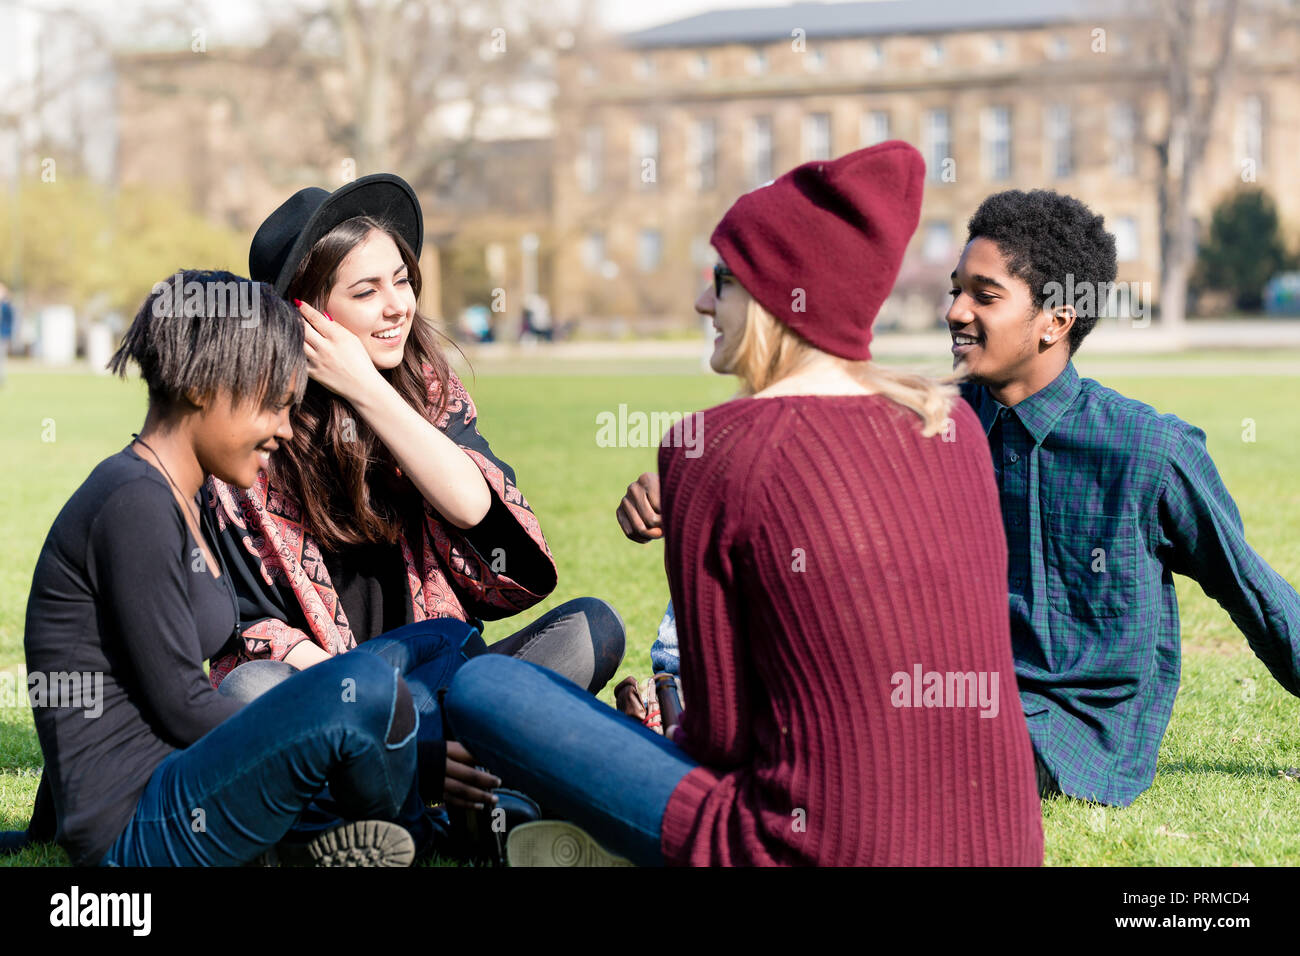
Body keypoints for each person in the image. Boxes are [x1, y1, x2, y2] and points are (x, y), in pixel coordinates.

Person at [444, 142, 1044, 866]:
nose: (703, 301)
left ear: (772, 298)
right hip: (1002, 847)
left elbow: (721, 739)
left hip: (795, 848)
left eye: (722, 281)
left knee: (486, 684)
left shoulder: (715, 448)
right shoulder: (953, 429)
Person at [204, 174, 625, 852]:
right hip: (332, 699)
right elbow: (247, 627)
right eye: (366, 292)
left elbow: (481, 519)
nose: (397, 306)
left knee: (589, 630)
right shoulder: (248, 431)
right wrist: (407, 733)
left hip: (439, 683)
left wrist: (371, 393)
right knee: (252, 692)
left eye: (401, 280)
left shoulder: (425, 393)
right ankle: (434, 804)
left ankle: (426, 802)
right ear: (306, 315)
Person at [15, 269, 444, 866]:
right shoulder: (133, 502)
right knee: (363, 689)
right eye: (273, 406)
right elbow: (183, 706)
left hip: (184, 788)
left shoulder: (181, 495)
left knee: (422, 648)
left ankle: (347, 830)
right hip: (141, 827)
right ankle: (420, 834)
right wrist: (322, 725)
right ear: (202, 389)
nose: (284, 430)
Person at [943, 189, 1300, 806]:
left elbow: (1254, 592)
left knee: (944, 764)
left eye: (984, 294)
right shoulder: (939, 427)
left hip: (1069, 729)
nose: (955, 311)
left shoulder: (1148, 451)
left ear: (1056, 320)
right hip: (960, 693)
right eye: (955, 290)